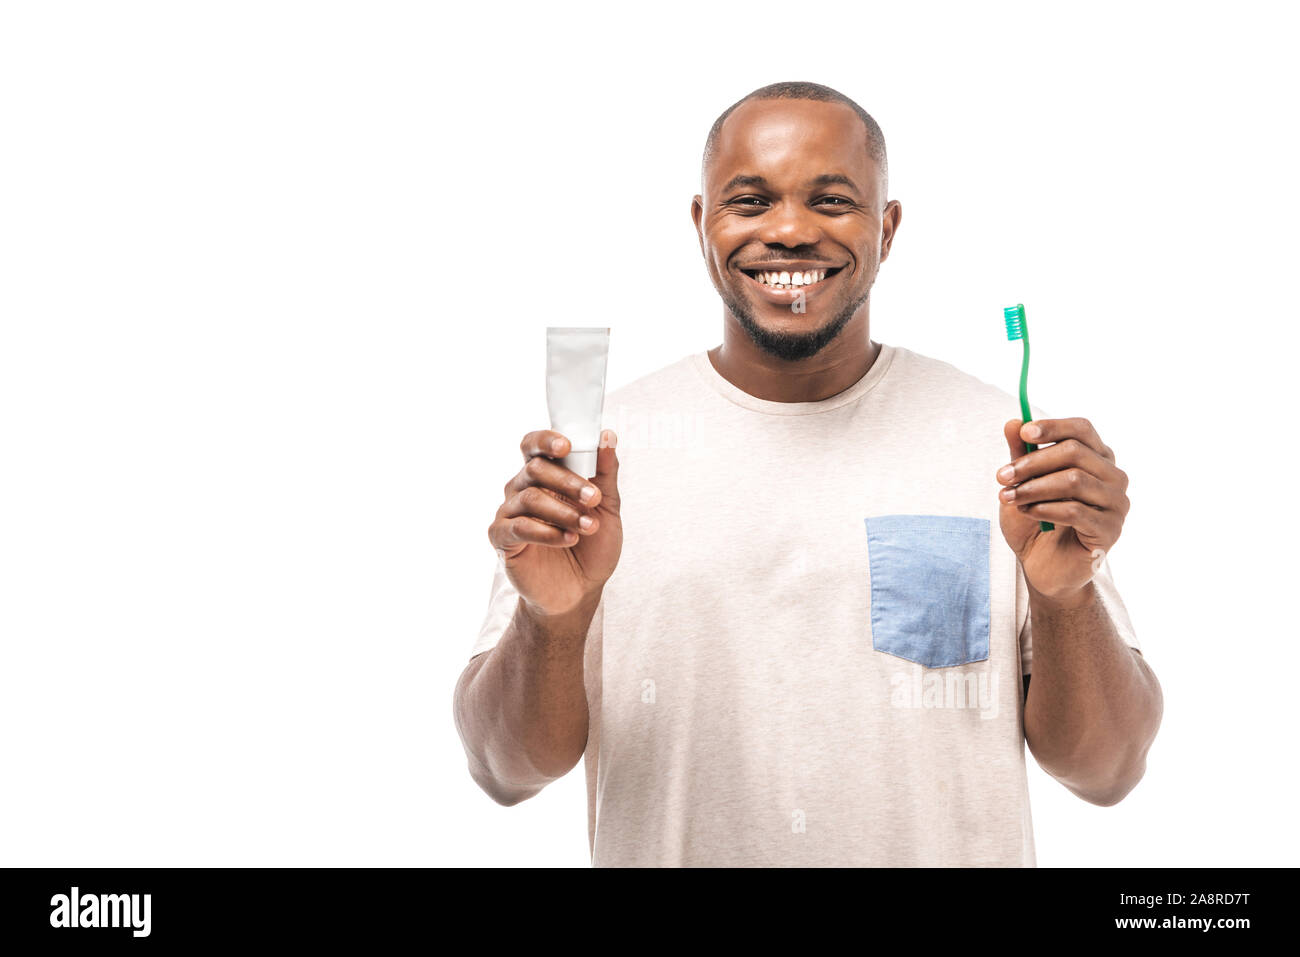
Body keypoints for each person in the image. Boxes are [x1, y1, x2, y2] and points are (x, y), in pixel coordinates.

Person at [452, 81, 1163, 867]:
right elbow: (505, 771)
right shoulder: (597, 464)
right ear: (702, 225)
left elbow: (1107, 771)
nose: (789, 231)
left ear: (887, 229)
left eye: (831, 201)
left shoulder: (1000, 447)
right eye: (750, 201)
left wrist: (1066, 597)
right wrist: (552, 624)